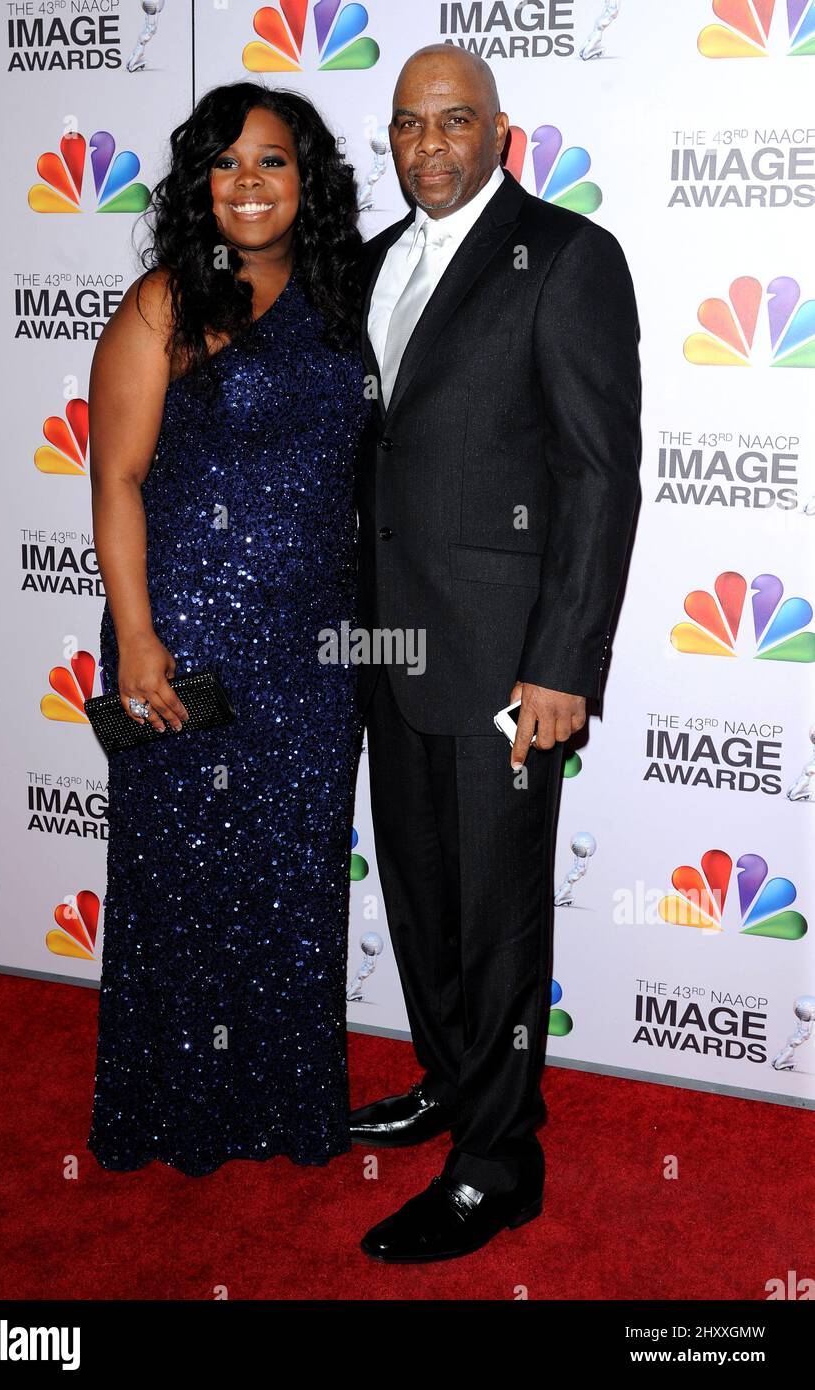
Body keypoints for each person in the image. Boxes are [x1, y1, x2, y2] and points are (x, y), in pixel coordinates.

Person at [351, 45, 642, 1261]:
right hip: (388, 648)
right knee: (421, 901)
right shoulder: (369, 264)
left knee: (501, 913)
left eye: (454, 121)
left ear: (502, 132)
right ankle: (449, 1081)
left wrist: (563, 662)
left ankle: (498, 1159)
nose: (430, 146)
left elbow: (595, 473)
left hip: (508, 666)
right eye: (409, 125)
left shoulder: (567, 257)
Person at [86, 84, 369, 1176]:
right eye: (227, 162)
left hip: (312, 646)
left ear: (310, 183)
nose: (250, 182)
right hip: (188, 635)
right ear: (201, 182)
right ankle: (180, 1112)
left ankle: (283, 1106)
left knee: (292, 884)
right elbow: (114, 476)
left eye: (274, 161)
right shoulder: (165, 302)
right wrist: (140, 636)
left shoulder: (340, 299)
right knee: (185, 878)